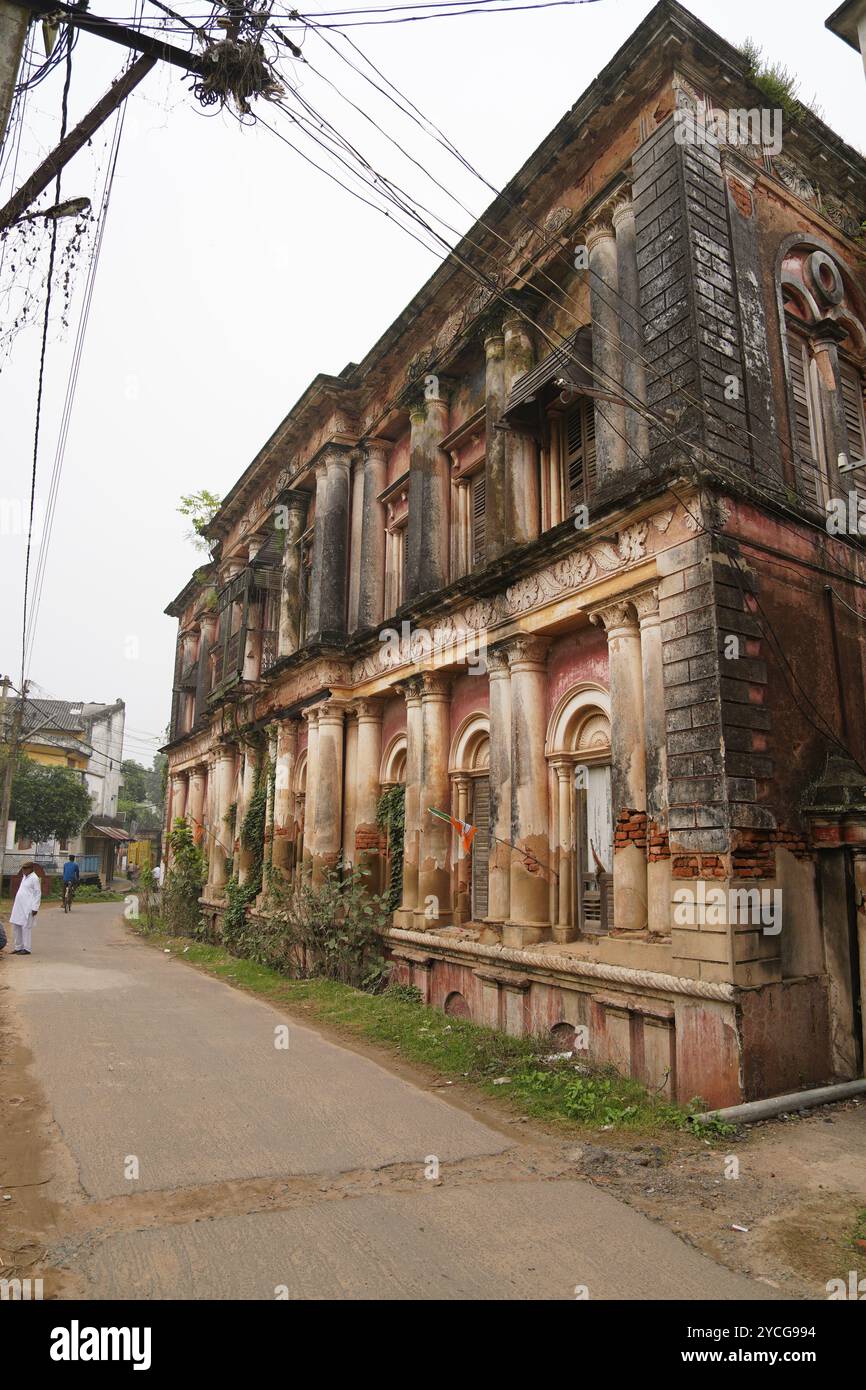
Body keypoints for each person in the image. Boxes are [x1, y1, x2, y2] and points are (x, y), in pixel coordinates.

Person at [10, 864, 41, 955]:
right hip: (19, 906)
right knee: (16, 925)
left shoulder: (34, 878)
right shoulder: (25, 876)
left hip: (28, 906)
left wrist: (35, 907)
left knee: (25, 927)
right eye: (23, 868)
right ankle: (18, 947)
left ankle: (27, 948)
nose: (23, 870)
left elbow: (37, 893)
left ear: (31, 869)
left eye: (25, 868)